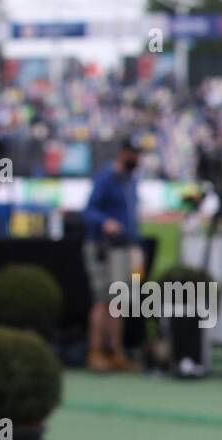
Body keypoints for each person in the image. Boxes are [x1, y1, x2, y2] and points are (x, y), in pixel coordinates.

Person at [81, 133, 144, 373]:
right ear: (123, 153)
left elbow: (132, 218)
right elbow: (89, 211)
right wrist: (105, 222)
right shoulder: (106, 178)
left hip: (123, 248)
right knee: (102, 300)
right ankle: (96, 351)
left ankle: (115, 351)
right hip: (102, 247)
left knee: (118, 301)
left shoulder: (130, 181)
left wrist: (135, 246)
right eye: (133, 154)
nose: (136, 159)